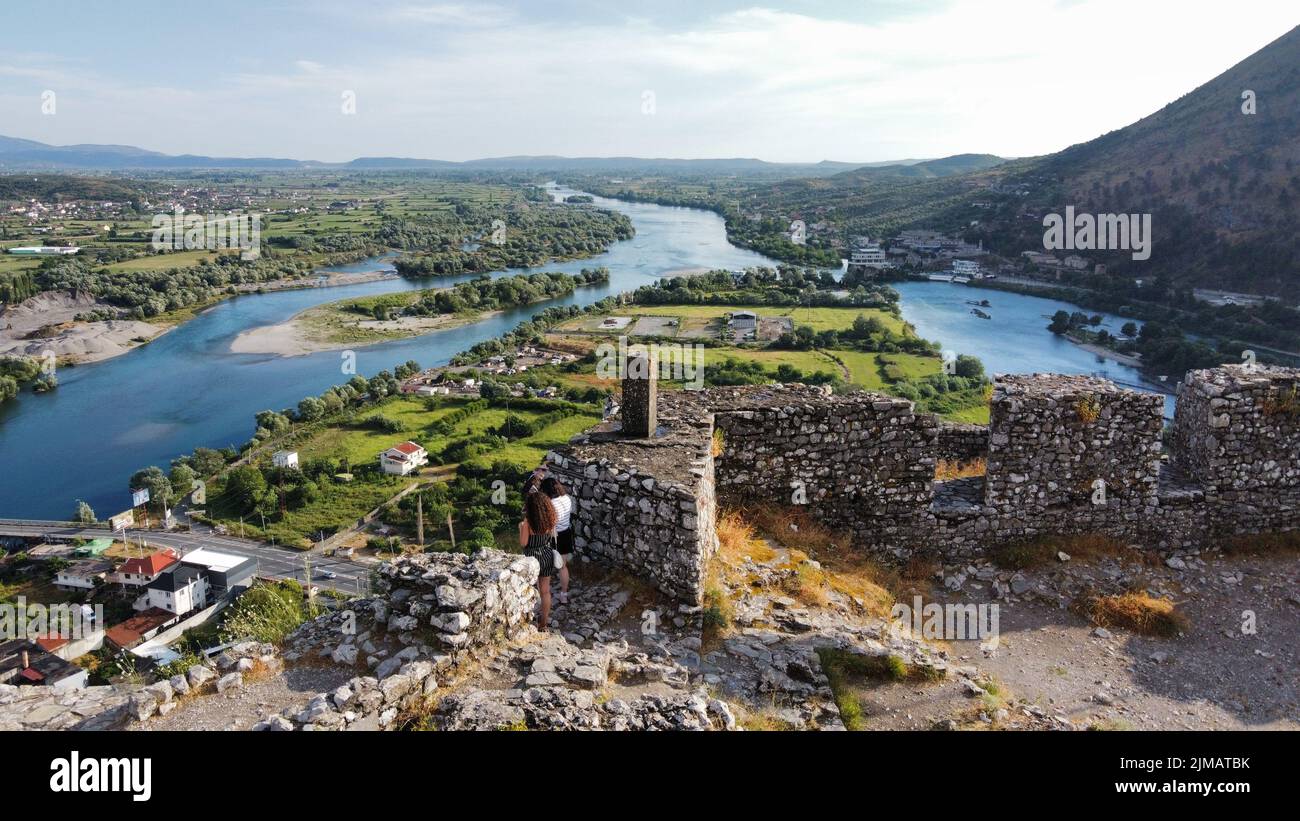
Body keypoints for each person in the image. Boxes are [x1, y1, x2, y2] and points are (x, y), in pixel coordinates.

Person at [519, 490, 558, 630]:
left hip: (531, 559)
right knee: (545, 591)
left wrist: (521, 528)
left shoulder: (527, 523)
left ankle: (527, 619)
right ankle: (543, 623)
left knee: (528, 589)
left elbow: (523, 543)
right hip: (547, 555)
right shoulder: (550, 519)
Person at [541, 477, 573, 604]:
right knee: (563, 566)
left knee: (545, 566)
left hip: (553, 536)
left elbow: (549, 524)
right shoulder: (567, 498)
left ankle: (544, 593)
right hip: (566, 533)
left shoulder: (551, 504)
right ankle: (564, 594)